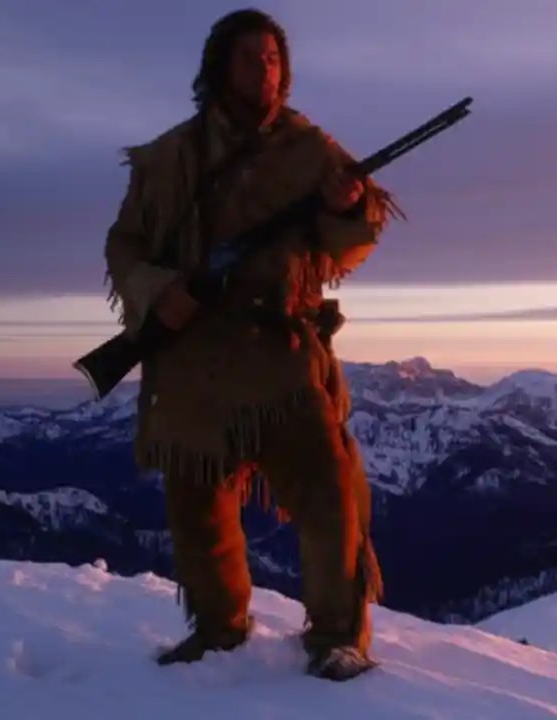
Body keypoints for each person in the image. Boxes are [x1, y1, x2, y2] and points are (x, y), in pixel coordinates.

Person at [101, 8, 396, 681]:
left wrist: (348, 206)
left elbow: (344, 242)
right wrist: (158, 289)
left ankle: (337, 637)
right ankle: (218, 628)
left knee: (326, 492)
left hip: (279, 356)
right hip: (191, 360)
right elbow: (125, 244)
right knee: (197, 507)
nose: (263, 70)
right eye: (248, 58)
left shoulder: (312, 151)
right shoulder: (169, 158)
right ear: (217, 68)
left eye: (272, 59)